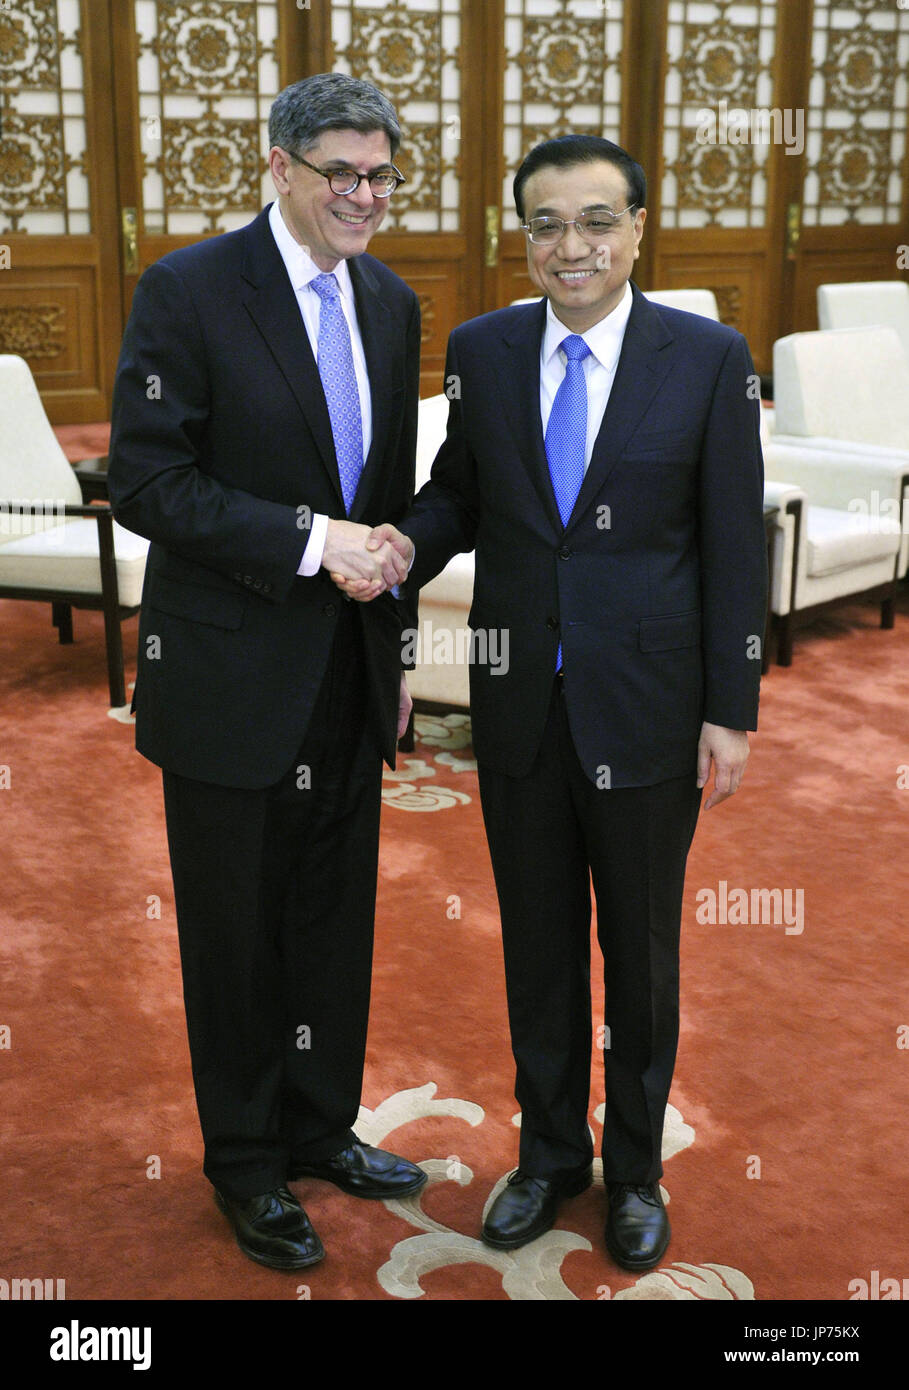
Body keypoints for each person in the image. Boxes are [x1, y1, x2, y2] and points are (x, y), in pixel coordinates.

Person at [339, 134, 767, 1271]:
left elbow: (734, 541)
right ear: (519, 233)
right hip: (519, 700)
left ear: (637, 229)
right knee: (535, 947)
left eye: (593, 222)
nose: (568, 246)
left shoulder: (708, 356)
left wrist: (732, 706)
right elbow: (456, 498)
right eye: (544, 223)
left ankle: (633, 1169)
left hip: (651, 707)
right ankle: (545, 1157)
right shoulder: (482, 349)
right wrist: (394, 549)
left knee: (640, 954)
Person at [106, 72, 427, 1272]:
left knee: (333, 918)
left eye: (379, 174)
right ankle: (245, 1162)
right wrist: (311, 541)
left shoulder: (390, 303)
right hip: (233, 672)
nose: (360, 193)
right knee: (236, 932)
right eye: (338, 170)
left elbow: (383, 499)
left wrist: (391, 648)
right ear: (279, 168)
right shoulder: (188, 290)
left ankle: (318, 1125)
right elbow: (148, 481)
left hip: (349, 668)